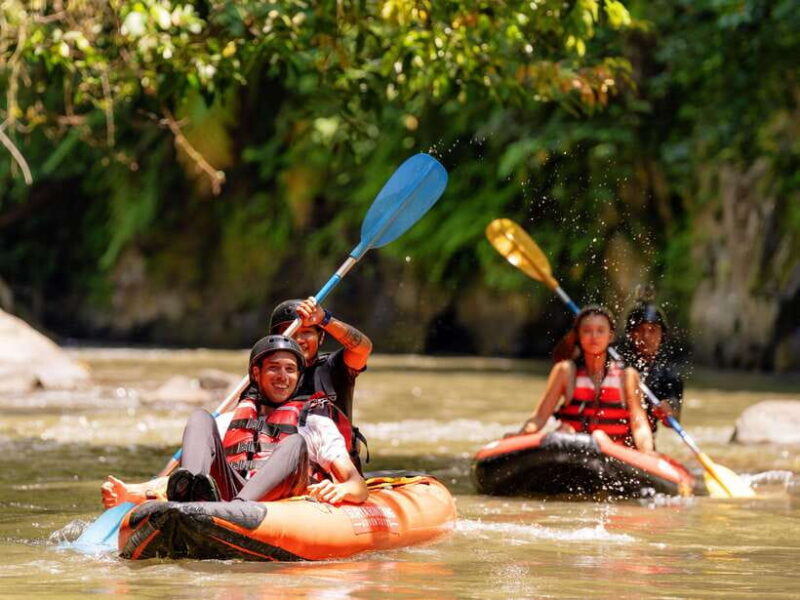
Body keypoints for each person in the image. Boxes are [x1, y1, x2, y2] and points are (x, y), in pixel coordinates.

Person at [102, 335, 368, 507]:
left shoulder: (316, 423)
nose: (282, 376)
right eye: (274, 368)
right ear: (256, 373)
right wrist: (134, 493)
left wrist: (343, 490)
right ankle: (190, 502)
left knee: (295, 443)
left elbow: (357, 484)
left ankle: (234, 511)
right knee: (200, 418)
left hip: (283, 497)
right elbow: (174, 478)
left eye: (290, 370)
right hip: (234, 491)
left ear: (298, 377)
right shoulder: (230, 420)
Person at [511, 305, 654, 452]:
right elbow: (539, 419)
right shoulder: (565, 371)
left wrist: (648, 453)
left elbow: (640, 424)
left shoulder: (627, 376)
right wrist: (519, 436)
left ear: (610, 336)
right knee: (564, 431)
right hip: (572, 450)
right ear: (579, 336)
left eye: (600, 330)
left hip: (612, 455)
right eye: (587, 331)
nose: (594, 336)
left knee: (598, 436)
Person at [265, 297, 372, 470]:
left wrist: (325, 320)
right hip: (280, 470)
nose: (298, 340)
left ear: (320, 338)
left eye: (306, 332)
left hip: (334, 472)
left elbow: (362, 348)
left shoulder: (334, 368)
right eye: (291, 332)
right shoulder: (265, 376)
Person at [619, 288, 684, 434]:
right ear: (630, 334)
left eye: (652, 330)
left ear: (663, 335)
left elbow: (674, 418)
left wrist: (668, 410)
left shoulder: (670, 376)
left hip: (643, 441)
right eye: (640, 330)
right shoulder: (614, 362)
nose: (646, 336)